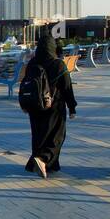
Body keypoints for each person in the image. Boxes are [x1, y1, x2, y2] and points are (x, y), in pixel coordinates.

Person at [21, 32, 77, 178]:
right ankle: (43, 159)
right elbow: (67, 88)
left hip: (35, 106)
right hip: (54, 107)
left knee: (39, 136)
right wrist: (72, 107)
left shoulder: (33, 63)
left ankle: (49, 164)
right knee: (57, 136)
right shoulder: (58, 64)